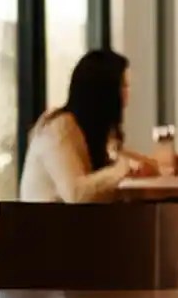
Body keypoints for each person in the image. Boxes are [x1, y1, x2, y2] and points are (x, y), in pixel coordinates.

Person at [20, 49, 154, 203]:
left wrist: (132, 166)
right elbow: (76, 194)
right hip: (45, 225)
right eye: (123, 87)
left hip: (73, 223)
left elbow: (140, 166)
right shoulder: (59, 130)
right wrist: (120, 170)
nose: (127, 96)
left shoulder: (91, 130)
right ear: (104, 92)